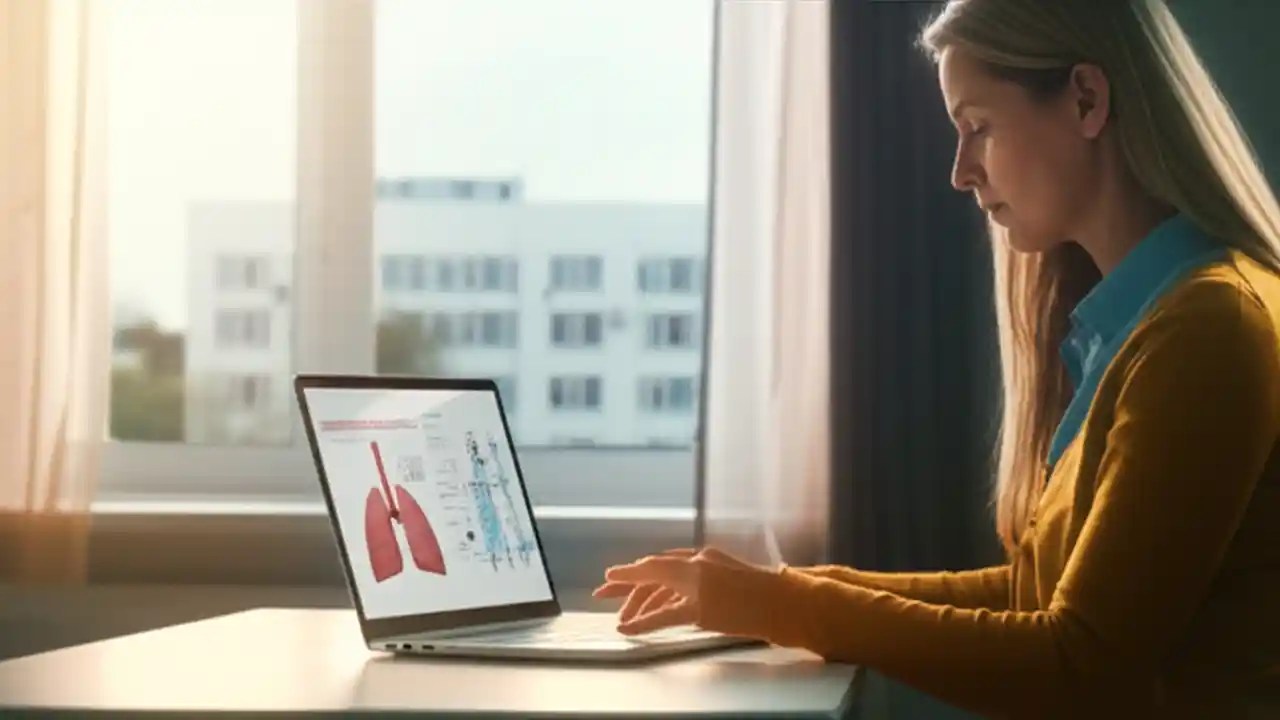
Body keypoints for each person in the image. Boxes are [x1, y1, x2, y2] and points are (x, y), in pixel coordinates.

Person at [593, 0, 1280, 716]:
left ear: (1086, 99)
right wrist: (771, 592)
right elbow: (1031, 595)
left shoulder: (1210, 327)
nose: (960, 172)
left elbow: (1079, 662)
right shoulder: (1153, 323)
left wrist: (774, 602)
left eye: (977, 128)